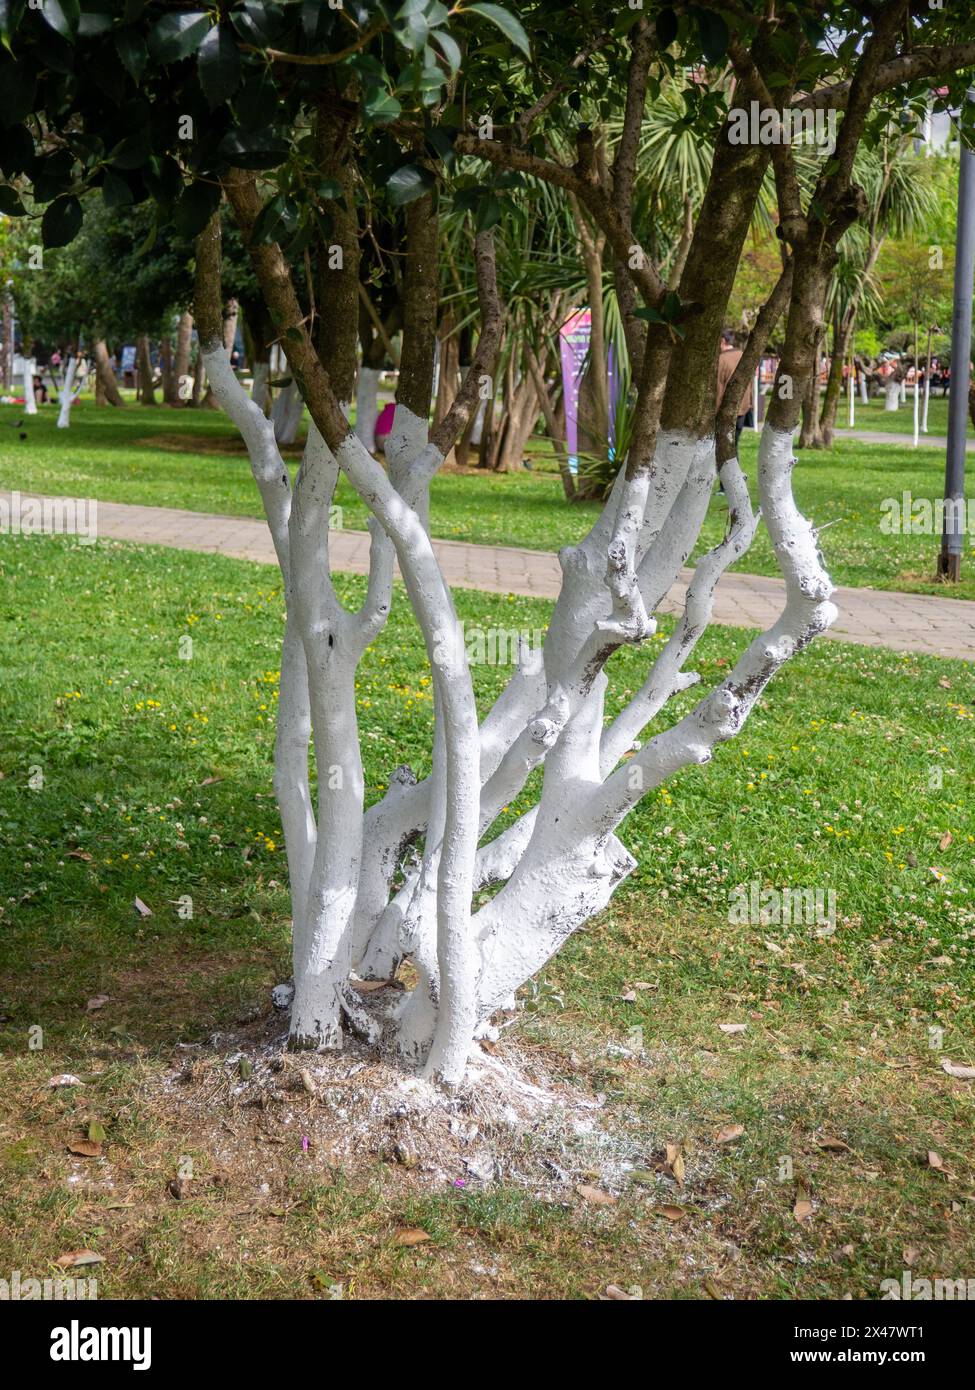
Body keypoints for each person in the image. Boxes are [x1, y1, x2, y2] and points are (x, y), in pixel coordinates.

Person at [716, 330, 754, 443]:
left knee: (722, 447)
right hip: (743, 408)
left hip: (724, 411)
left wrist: (714, 412)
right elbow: (750, 384)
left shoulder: (721, 360)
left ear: (722, 341)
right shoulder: (744, 356)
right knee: (733, 446)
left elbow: (718, 388)